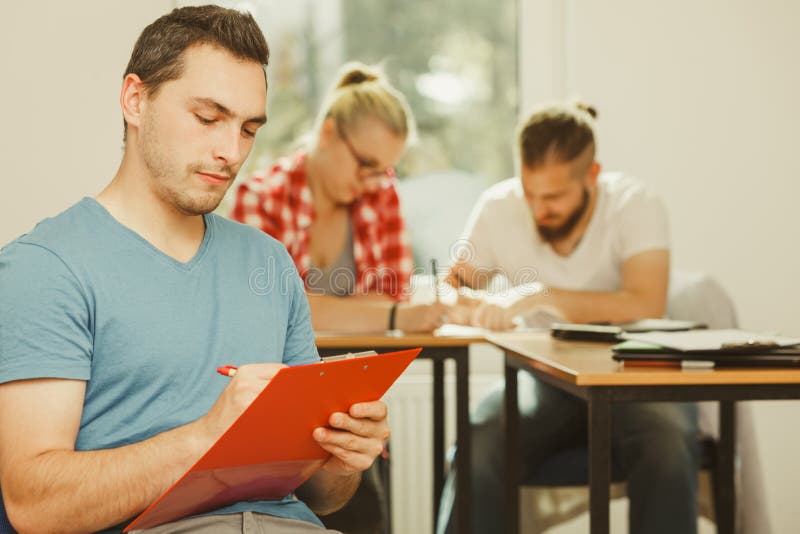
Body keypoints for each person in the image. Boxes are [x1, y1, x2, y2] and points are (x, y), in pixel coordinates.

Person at [0, 6, 390, 534]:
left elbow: (323, 496)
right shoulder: (46, 268)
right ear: (135, 100)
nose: (230, 151)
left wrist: (343, 457)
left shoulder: (269, 262)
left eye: (249, 128)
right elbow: (34, 507)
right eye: (208, 118)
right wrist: (206, 436)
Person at [437, 102, 699, 534]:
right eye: (530, 193)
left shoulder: (636, 204)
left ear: (592, 176)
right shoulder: (499, 206)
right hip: (545, 376)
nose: (540, 209)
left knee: (667, 440)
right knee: (479, 438)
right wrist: (463, 302)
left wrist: (535, 295)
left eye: (554, 197)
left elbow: (645, 302)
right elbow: (452, 283)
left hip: (634, 370)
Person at [230, 62, 450, 335]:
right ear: (328, 133)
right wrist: (392, 317)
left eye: (383, 171)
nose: (372, 183)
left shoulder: (383, 194)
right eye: (366, 164)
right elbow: (270, 309)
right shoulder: (260, 198)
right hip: (282, 373)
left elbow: (395, 294)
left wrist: (316, 308)